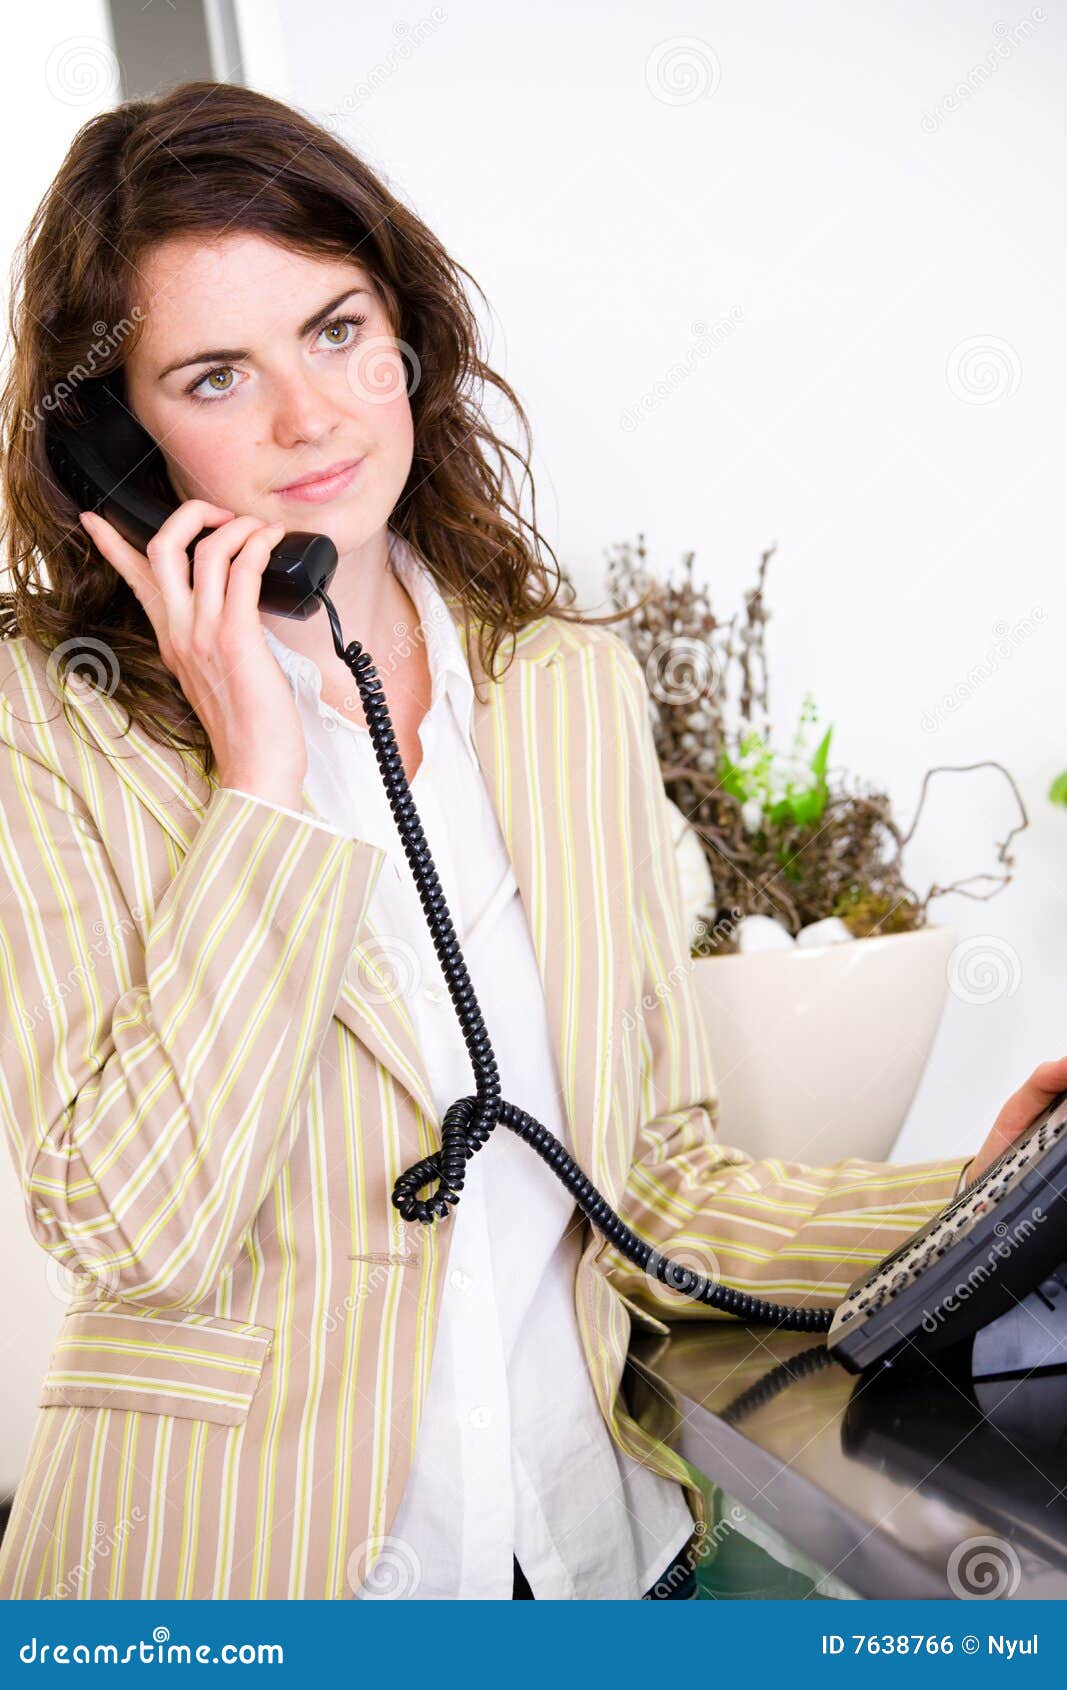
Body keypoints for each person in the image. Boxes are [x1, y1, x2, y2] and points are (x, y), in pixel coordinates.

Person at [0, 80, 1057, 1603]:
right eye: (216, 375)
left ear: (405, 334)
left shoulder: (562, 686)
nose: (310, 416)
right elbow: (132, 1227)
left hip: (587, 1567)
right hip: (236, 1587)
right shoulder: (50, 723)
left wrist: (987, 1200)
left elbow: (653, 1183)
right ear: (117, 440)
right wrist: (263, 781)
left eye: (339, 328)